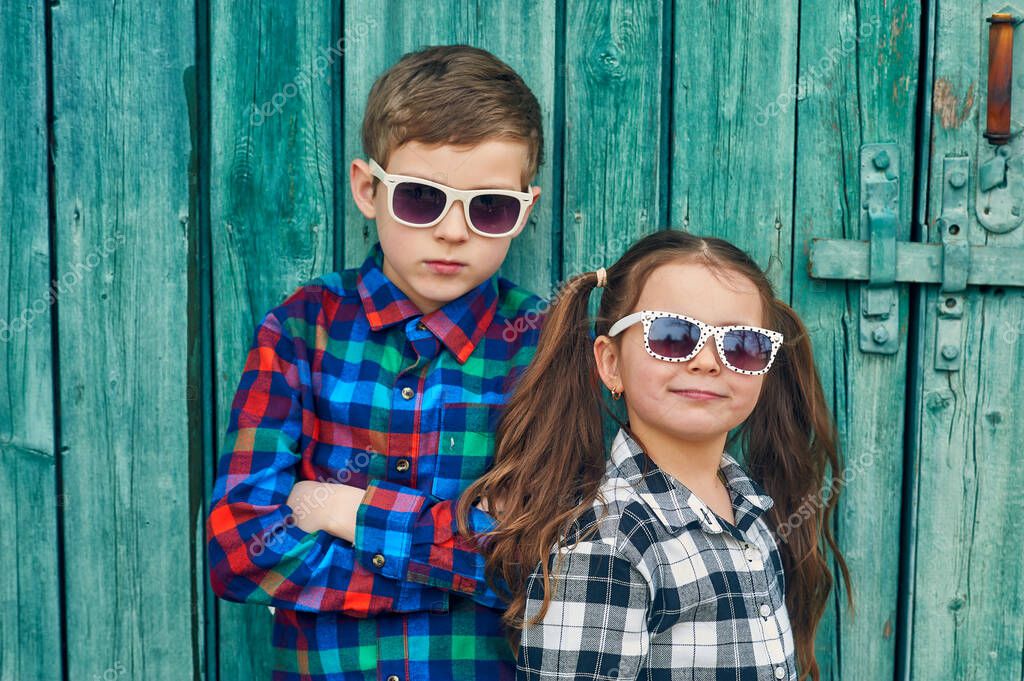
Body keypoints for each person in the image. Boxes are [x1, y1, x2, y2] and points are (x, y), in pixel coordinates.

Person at [206, 44, 546, 680]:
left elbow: (543, 558)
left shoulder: (542, 348)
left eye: (489, 206)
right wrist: (456, 568)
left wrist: (345, 512)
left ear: (524, 210)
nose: (451, 230)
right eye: (421, 198)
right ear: (368, 188)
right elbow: (238, 549)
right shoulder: (302, 331)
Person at [457, 229, 854, 680]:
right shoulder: (610, 542)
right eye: (671, 336)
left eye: (741, 343)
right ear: (610, 363)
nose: (707, 361)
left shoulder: (751, 510)